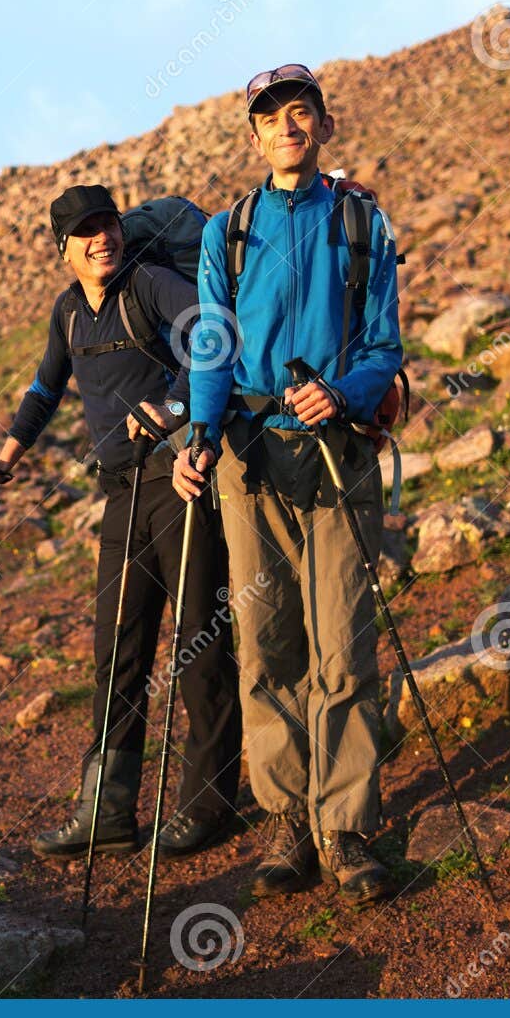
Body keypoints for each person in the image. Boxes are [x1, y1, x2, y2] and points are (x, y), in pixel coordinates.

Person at [173, 64, 403, 904]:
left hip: (338, 453)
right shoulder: (227, 232)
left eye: (300, 113)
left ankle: (344, 827)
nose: (287, 128)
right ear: (255, 137)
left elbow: (384, 344)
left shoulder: (362, 221)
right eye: (271, 119)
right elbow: (212, 343)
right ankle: (287, 819)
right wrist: (201, 435)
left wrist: (342, 393)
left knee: (343, 642)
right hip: (250, 457)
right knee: (267, 644)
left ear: (324, 127)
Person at [0, 184, 241, 860]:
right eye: (86, 232)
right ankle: (107, 811)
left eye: (108, 225)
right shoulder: (69, 312)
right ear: (63, 248)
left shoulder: (147, 284)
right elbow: (44, 390)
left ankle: (209, 803)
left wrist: (171, 409)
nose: (102, 239)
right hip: (121, 494)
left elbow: (213, 333)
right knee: (117, 652)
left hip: (178, 481)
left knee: (200, 644)